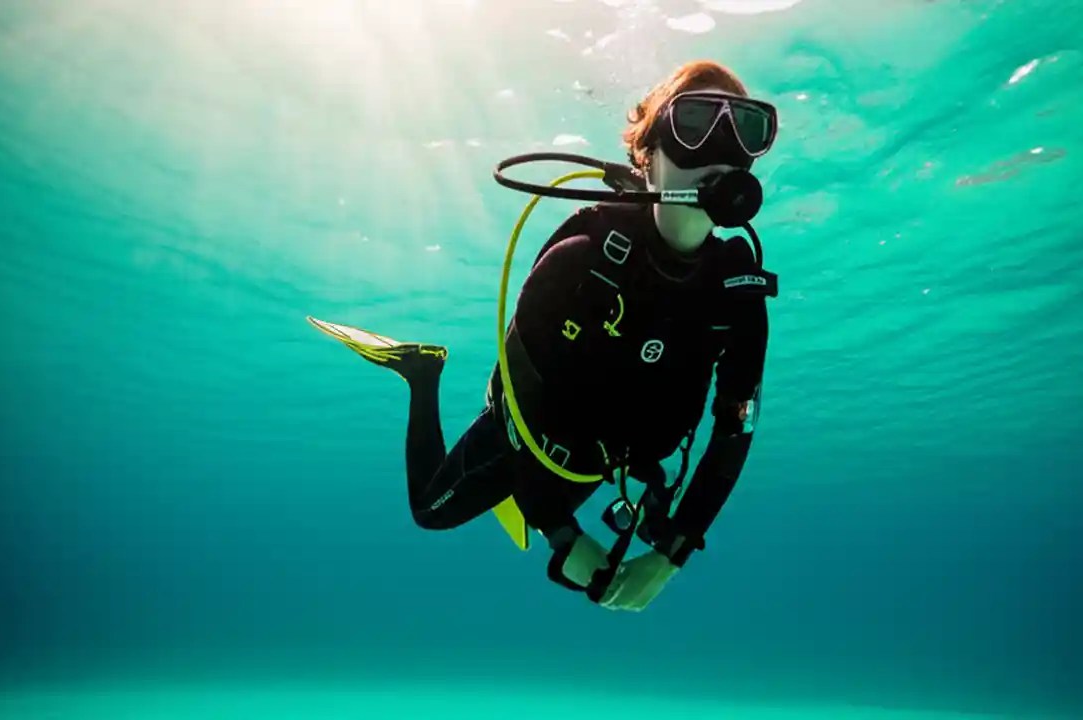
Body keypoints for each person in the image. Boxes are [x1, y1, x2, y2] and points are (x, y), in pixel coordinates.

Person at [312, 59, 778, 611]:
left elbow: (733, 431)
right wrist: (561, 534)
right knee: (429, 513)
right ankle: (423, 372)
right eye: (693, 123)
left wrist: (673, 551)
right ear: (647, 157)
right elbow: (519, 414)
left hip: (603, 452)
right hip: (525, 434)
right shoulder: (579, 262)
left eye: (745, 128)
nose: (718, 151)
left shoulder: (738, 296)